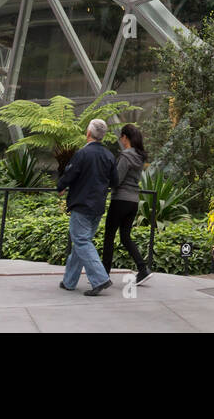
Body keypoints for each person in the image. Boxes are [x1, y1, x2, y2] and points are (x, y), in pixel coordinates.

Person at [57, 118, 116, 296]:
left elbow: (70, 174)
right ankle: (69, 281)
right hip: (98, 206)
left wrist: (60, 187)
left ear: (88, 133)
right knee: (80, 243)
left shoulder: (83, 154)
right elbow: (115, 181)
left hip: (82, 205)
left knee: (81, 241)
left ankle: (100, 279)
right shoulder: (109, 156)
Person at [102, 124, 152, 286]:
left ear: (125, 137)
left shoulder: (126, 156)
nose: (121, 141)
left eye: (121, 138)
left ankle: (103, 276)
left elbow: (117, 180)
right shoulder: (139, 156)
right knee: (125, 237)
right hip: (133, 201)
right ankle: (142, 269)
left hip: (120, 200)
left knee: (109, 237)